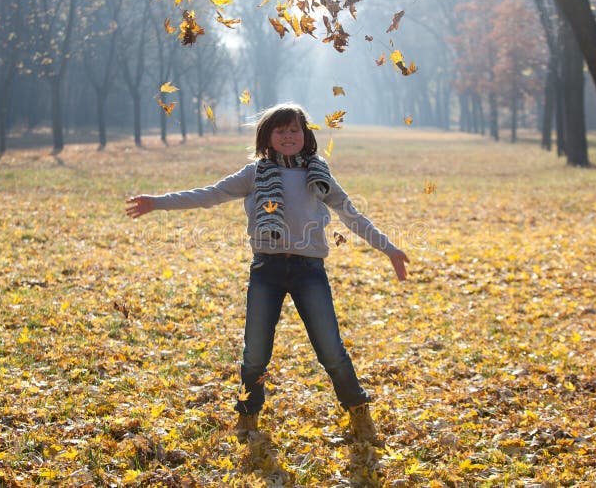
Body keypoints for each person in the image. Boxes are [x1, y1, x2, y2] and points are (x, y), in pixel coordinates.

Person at [126, 102, 409, 444]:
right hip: (267, 270)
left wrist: (389, 248)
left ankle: (359, 412)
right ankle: (248, 416)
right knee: (255, 353)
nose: (288, 136)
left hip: (309, 271)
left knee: (331, 349)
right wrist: (158, 202)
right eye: (281, 130)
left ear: (306, 135)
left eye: (294, 130)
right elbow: (210, 195)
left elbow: (352, 215)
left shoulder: (318, 175)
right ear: (267, 136)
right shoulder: (254, 174)